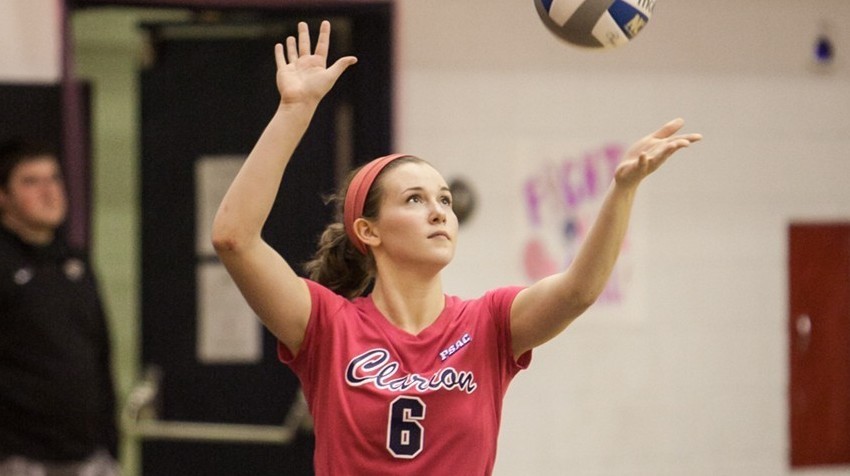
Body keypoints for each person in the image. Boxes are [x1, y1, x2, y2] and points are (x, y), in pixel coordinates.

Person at [212, 21, 701, 475]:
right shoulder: (327, 327)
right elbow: (234, 239)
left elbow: (578, 291)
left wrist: (622, 190)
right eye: (415, 199)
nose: (439, 210)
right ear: (369, 231)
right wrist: (294, 111)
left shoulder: (488, 324)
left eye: (444, 198)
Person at [0, 138, 119, 476]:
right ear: (3, 196)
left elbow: (100, 352)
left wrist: (111, 444)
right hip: (20, 457)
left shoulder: (75, 261)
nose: (48, 192)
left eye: (54, 179)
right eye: (31, 182)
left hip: (89, 455)